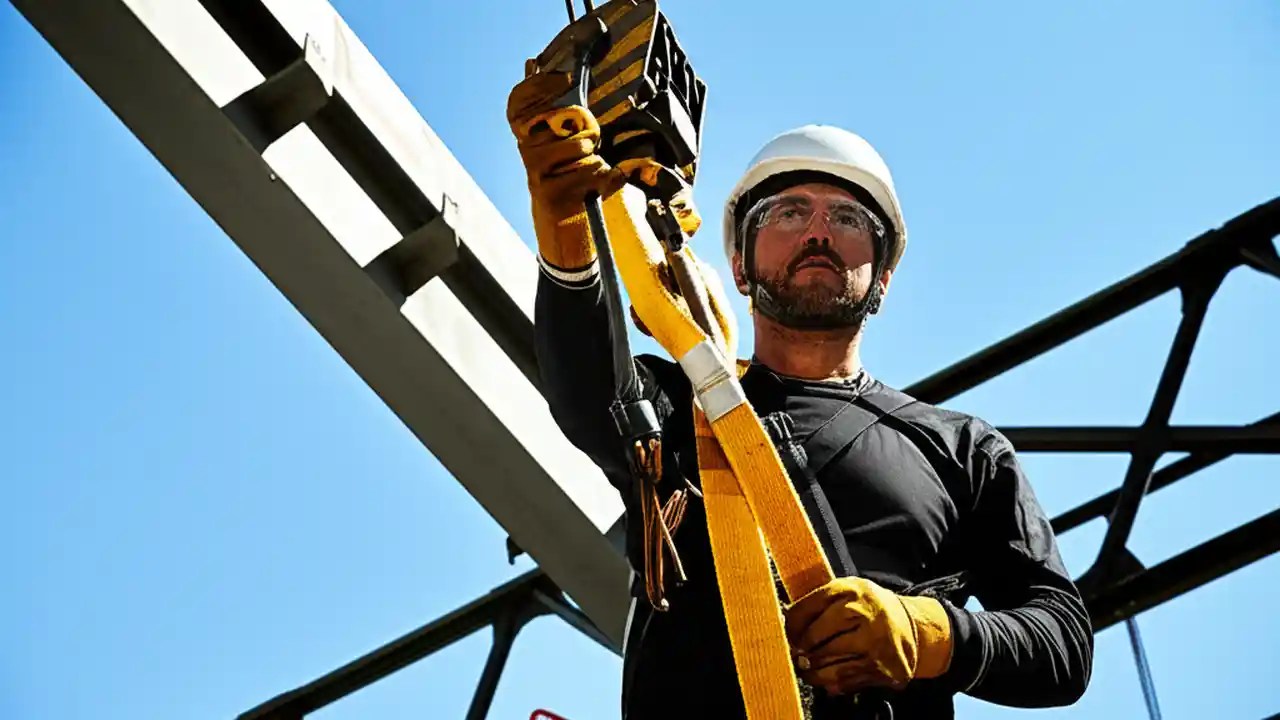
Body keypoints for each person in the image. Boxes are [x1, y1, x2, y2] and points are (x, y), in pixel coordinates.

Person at [508, 69, 1093, 719]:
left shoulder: (961, 450)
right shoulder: (682, 404)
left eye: (847, 218)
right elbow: (588, 395)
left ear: (883, 277)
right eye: (788, 213)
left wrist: (926, 633)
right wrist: (565, 227)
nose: (818, 232)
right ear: (739, 266)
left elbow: (1062, 645)